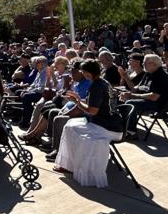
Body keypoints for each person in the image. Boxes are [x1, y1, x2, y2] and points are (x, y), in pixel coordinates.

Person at [53, 59, 124, 188]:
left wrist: (77, 102)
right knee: (69, 126)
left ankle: (72, 166)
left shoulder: (96, 86)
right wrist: (78, 100)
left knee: (70, 128)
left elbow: (92, 111)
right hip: (111, 123)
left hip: (106, 127)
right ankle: (70, 165)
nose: (82, 74)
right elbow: (95, 104)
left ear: (88, 73)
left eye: (83, 72)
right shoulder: (103, 82)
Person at [120, 54, 168, 139]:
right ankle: (122, 126)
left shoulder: (161, 76)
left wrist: (132, 96)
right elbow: (135, 89)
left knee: (131, 103)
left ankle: (131, 132)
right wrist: (124, 92)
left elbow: (154, 97)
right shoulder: (148, 73)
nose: (143, 64)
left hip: (157, 104)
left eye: (145, 63)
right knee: (118, 98)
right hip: (146, 99)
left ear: (154, 64)